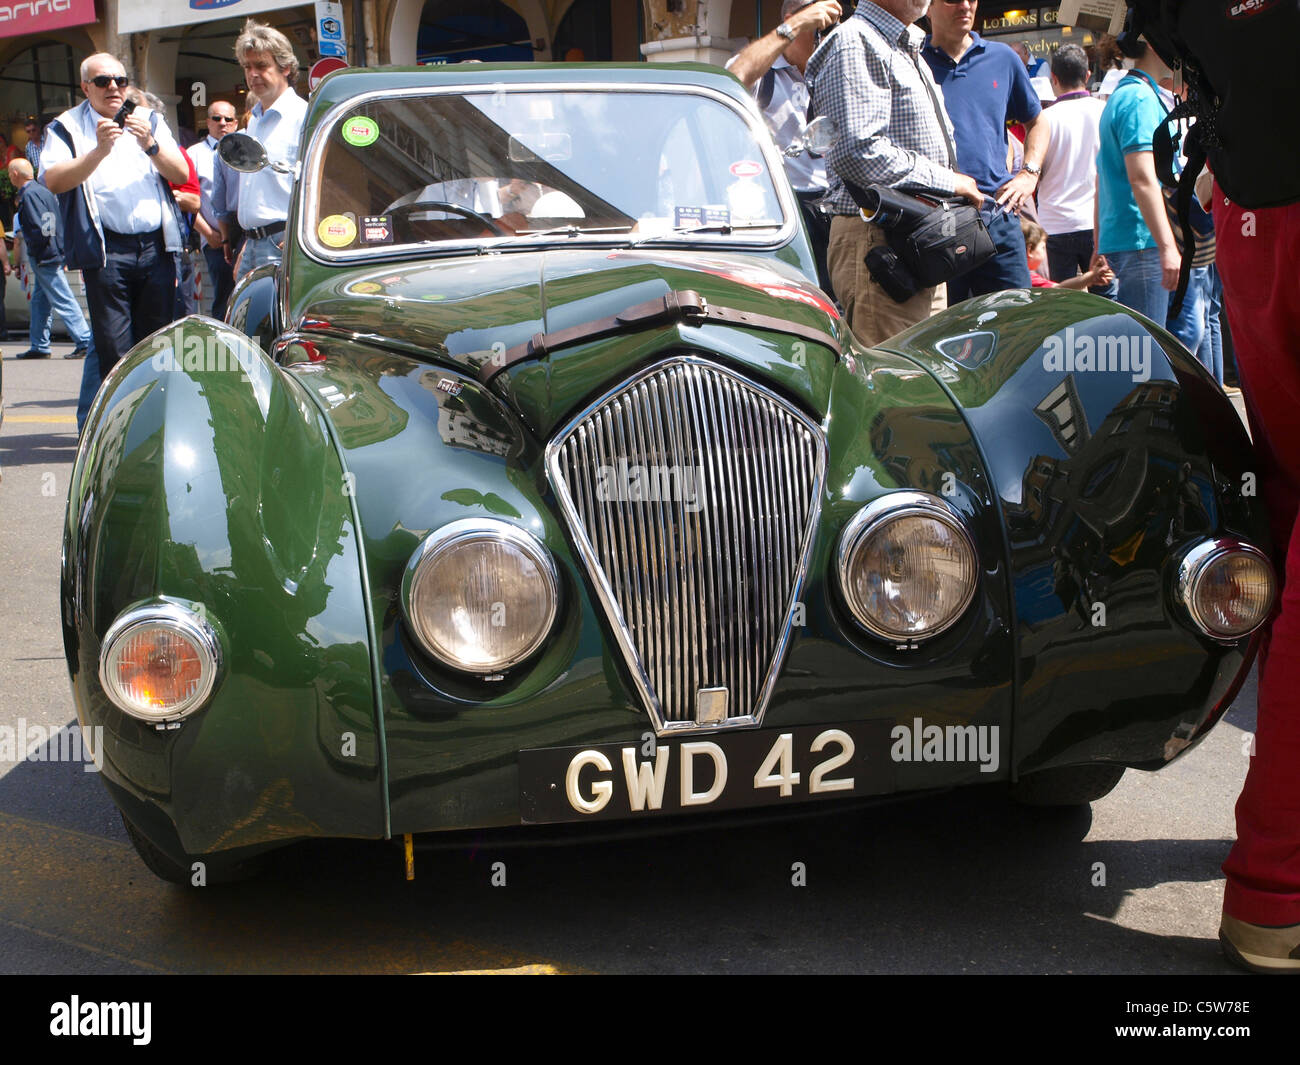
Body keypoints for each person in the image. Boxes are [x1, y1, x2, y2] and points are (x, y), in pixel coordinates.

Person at [1117, 0, 1300, 974]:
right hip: (1261, 190)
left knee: (1280, 510)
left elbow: (1162, 29)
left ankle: (1274, 875)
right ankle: (1275, 885)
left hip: (1251, 203)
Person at [806, 0, 983, 348]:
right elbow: (858, 154)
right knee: (894, 386)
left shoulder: (900, 44)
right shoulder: (855, 41)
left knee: (917, 382)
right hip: (880, 240)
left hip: (913, 240)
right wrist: (950, 182)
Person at [40, 53, 189, 383]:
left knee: (158, 345)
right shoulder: (67, 126)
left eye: (120, 81)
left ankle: (158, 422)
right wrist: (98, 151)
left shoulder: (148, 119)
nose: (113, 88)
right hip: (107, 250)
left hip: (155, 246)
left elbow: (180, 172)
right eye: (103, 81)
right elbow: (53, 180)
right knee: (115, 349)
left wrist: (150, 144)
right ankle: (120, 426)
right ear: (85, 87)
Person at [923, 0, 1045, 301]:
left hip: (996, 215)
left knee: (1017, 325)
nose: (965, 5)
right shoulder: (912, 60)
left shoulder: (1002, 58)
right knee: (944, 333)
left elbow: (1038, 121)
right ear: (928, 6)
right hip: (935, 220)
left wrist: (1029, 174)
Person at [726, 0, 844, 297]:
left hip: (839, 207)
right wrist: (793, 26)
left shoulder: (839, 69)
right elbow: (734, 76)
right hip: (785, 209)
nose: (825, 33)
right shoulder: (765, 71)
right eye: (818, 25)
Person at [1094, 36, 1182, 329]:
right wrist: (1167, 245)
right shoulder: (1139, 98)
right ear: (1154, 43)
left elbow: (1101, 178)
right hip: (1142, 240)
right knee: (1147, 352)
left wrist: (1098, 244)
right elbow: (1142, 177)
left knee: (1142, 350)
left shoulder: (1125, 95)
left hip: (1131, 238)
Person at [233, 19, 306, 281]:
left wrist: (294, 239)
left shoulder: (302, 117)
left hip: (283, 242)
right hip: (253, 242)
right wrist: (249, 241)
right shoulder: (254, 120)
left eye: (262, 65)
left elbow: (320, 185)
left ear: (285, 67)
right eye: (247, 67)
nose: (253, 74)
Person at [1037, 43, 1112, 293]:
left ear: (1053, 79)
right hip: (1098, 221)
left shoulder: (1045, 119)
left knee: (1062, 302)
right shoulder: (1106, 112)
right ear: (1088, 75)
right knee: (1107, 300)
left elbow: (1035, 172)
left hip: (1055, 224)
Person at [7, 159, 92, 360]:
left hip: (44, 254)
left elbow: (40, 228)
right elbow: (53, 223)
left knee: (62, 297)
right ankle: (39, 344)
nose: (9, 177)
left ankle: (84, 340)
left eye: (10, 173)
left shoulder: (29, 194)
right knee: (40, 301)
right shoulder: (42, 191)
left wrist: (40, 251)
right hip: (51, 251)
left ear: (15, 174)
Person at [188, 100, 238, 319]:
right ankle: (222, 346)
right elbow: (185, 201)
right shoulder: (194, 154)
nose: (223, 123)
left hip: (245, 237)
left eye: (228, 119)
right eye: (217, 118)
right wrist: (208, 234)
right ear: (208, 122)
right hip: (215, 240)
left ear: (236, 123)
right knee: (224, 296)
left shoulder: (243, 149)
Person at [1021, 217, 1112, 290]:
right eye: (1042, 247)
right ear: (1029, 250)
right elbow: (1059, 289)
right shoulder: (1029, 278)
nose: (1045, 252)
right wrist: (1091, 276)